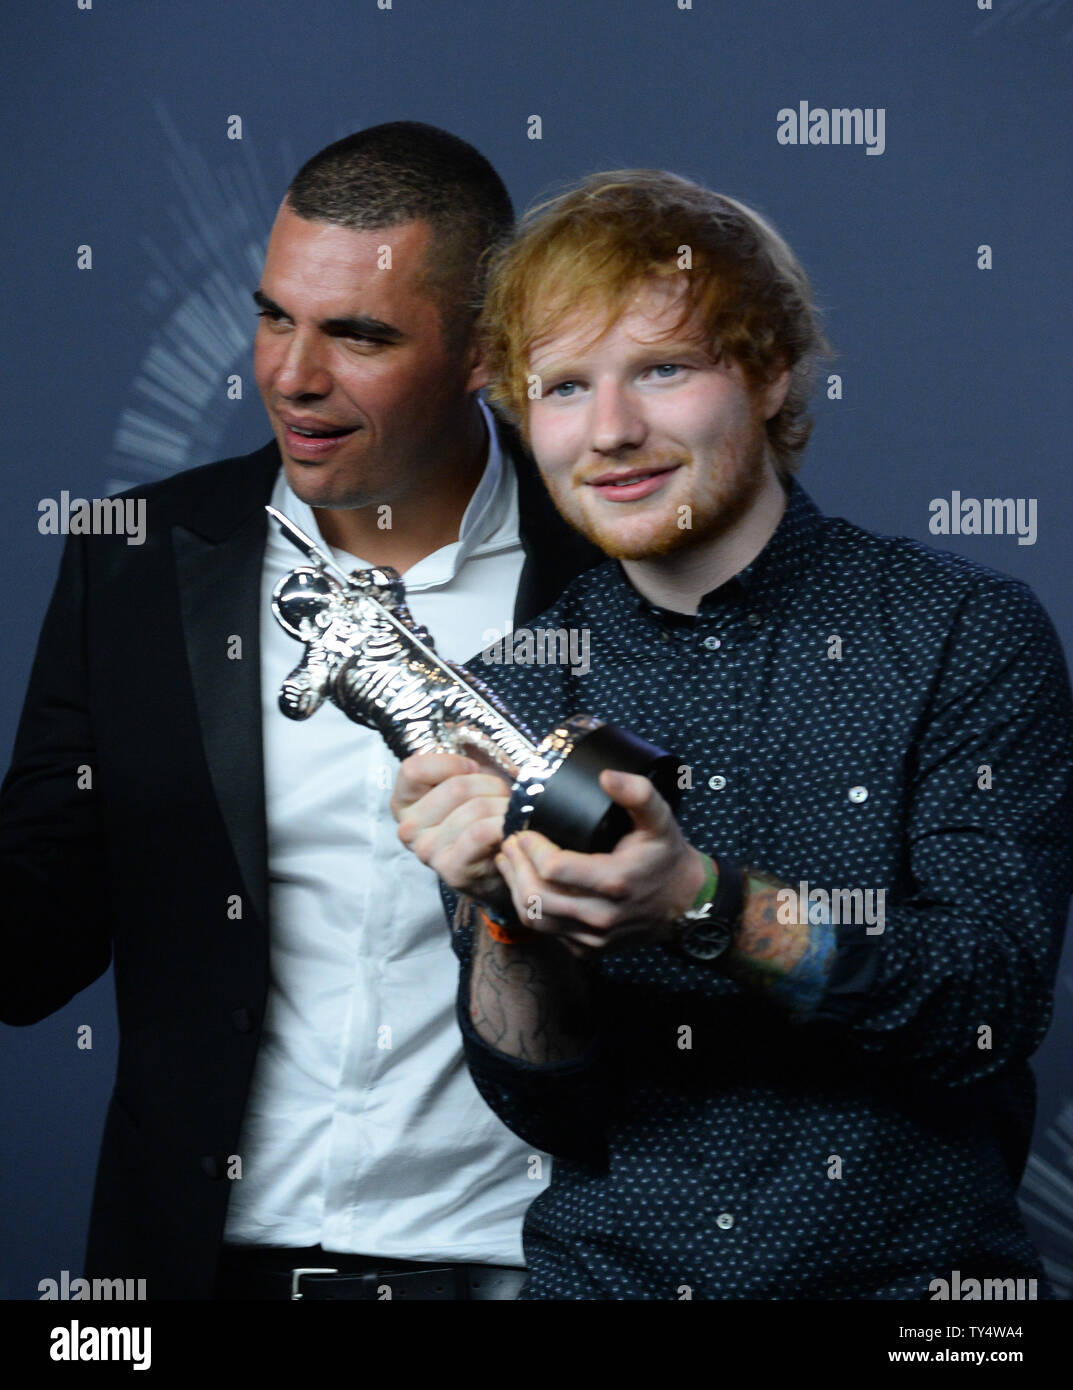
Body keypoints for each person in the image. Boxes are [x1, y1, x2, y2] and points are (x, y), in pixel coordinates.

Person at [391, 170, 1073, 1299]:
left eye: (661, 369)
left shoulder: (961, 631)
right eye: (563, 387)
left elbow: (986, 1010)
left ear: (763, 373)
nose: (610, 432)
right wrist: (511, 922)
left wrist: (702, 905)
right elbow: (545, 1099)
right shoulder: (507, 693)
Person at [0, 122, 599, 1301]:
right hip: (197, 1262)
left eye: (357, 335)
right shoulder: (139, 555)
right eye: (275, 315)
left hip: (526, 1266)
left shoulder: (610, 568)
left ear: (486, 350)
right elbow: (32, 942)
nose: (289, 374)